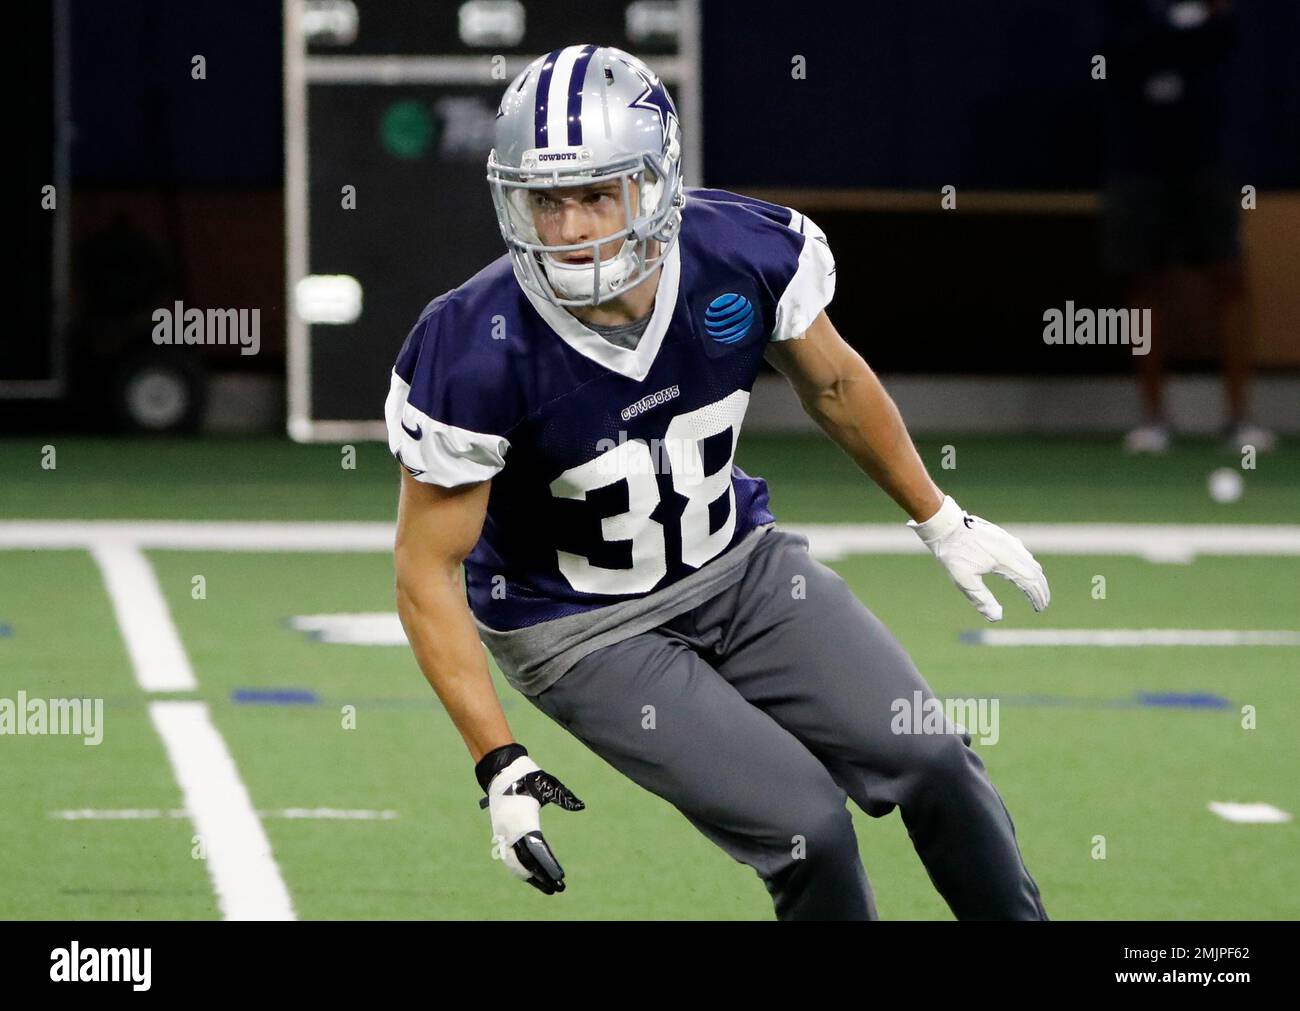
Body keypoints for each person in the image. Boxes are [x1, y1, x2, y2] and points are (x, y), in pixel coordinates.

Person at [389, 44, 1050, 920]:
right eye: (547, 201)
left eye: (597, 193)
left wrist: (939, 516)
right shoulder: (472, 341)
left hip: (740, 567)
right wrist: (498, 760)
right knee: (806, 823)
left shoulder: (737, 252)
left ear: (656, 183)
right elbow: (425, 568)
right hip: (581, 626)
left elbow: (836, 383)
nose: (574, 228)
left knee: (931, 755)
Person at [1103, 0, 1275, 454]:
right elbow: (1121, 48)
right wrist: (1173, 30)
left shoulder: (1220, 18)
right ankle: (1154, 420)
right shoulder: (1128, 13)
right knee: (1143, 282)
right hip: (1137, 161)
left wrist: (1185, 30)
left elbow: (1223, 40)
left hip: (1206, 159)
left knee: (1229, 275)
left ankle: (1240, 419)